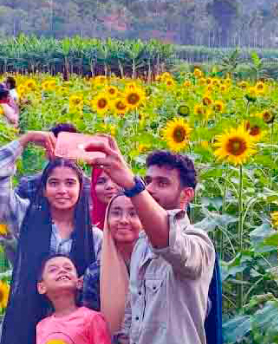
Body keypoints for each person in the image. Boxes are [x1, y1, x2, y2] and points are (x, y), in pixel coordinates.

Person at [86, 140, 220, 344]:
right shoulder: (142, 243)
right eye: (147, 180)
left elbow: (169, 241)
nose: (149, 188)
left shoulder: (199, 242)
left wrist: (132, 185)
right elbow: (134, 312)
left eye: (162, 183)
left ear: (187, 195)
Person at [0, 131, 103, 344]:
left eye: (70, 183)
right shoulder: (24, 219)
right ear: (44, 190)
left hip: (74, 333)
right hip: (23, 322)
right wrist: (25, 140)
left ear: (81, 189)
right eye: (54, 183)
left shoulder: (95, 237)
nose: (62, 190)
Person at [81, 194, 143, 336]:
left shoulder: (156, 266)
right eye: (116, 213)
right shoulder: (96, 273)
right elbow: (90, 326)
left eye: (133, 213)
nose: (123, 220)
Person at [35, 254, 112, 344]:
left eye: (68, 268)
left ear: (79, 282)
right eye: (53, 270)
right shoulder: (41, 326)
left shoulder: (92, 319)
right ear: (41, 287)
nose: (62, 270)